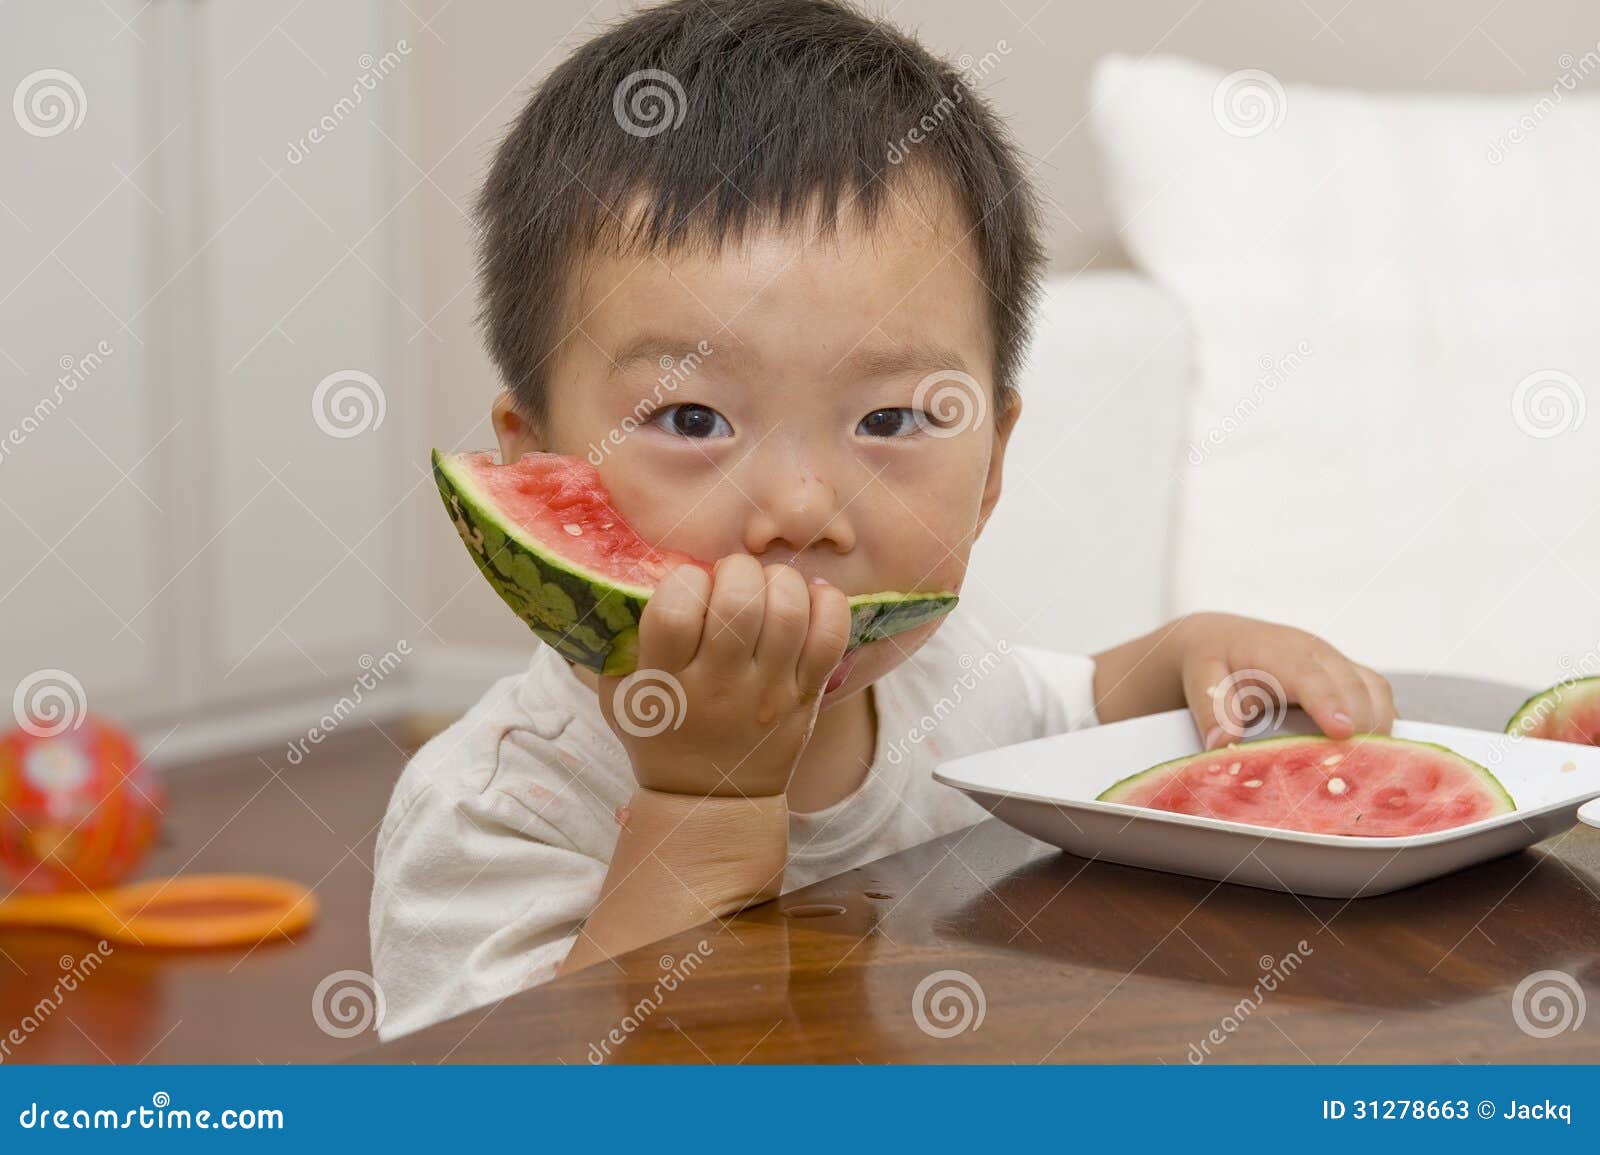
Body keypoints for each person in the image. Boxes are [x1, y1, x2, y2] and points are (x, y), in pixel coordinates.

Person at [369, 0, 1395, 1041]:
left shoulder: (951, 691)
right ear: (541, 467)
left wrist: (1195, 650)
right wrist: (705, 805)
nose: (803, 508)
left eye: (891, 418)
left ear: (992, 465)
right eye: (690, 416)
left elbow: (1082, 706)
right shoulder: (495, 811)